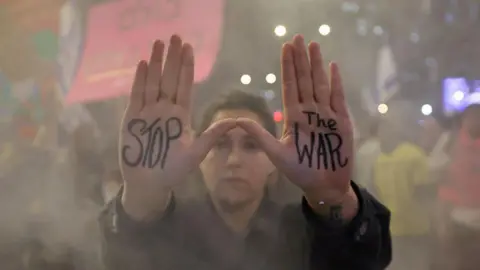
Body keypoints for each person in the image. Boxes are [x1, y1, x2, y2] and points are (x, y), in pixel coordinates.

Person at [99, 34, 391, 270]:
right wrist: (142, 195)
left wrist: (333, 199)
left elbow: (366, 256)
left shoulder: (303, 231)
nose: (234, 160)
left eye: (252, 146)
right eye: (220, 145)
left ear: (274, 161)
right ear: (199, 158)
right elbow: (118, 252)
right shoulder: (168, 230)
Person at [373, 108, 432, 270]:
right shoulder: (380, 158)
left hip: (415, 228)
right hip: (392, 229)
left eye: (387, 129)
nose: (382, 133)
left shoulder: (413, 155)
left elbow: (424, 192)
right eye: (380, 129)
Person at [436, 103, 480, 270]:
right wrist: (442, 223)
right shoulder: (450, 143)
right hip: (459, 222)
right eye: (472, 117)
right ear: (463, 120)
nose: (476, 122)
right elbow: (443, 183)